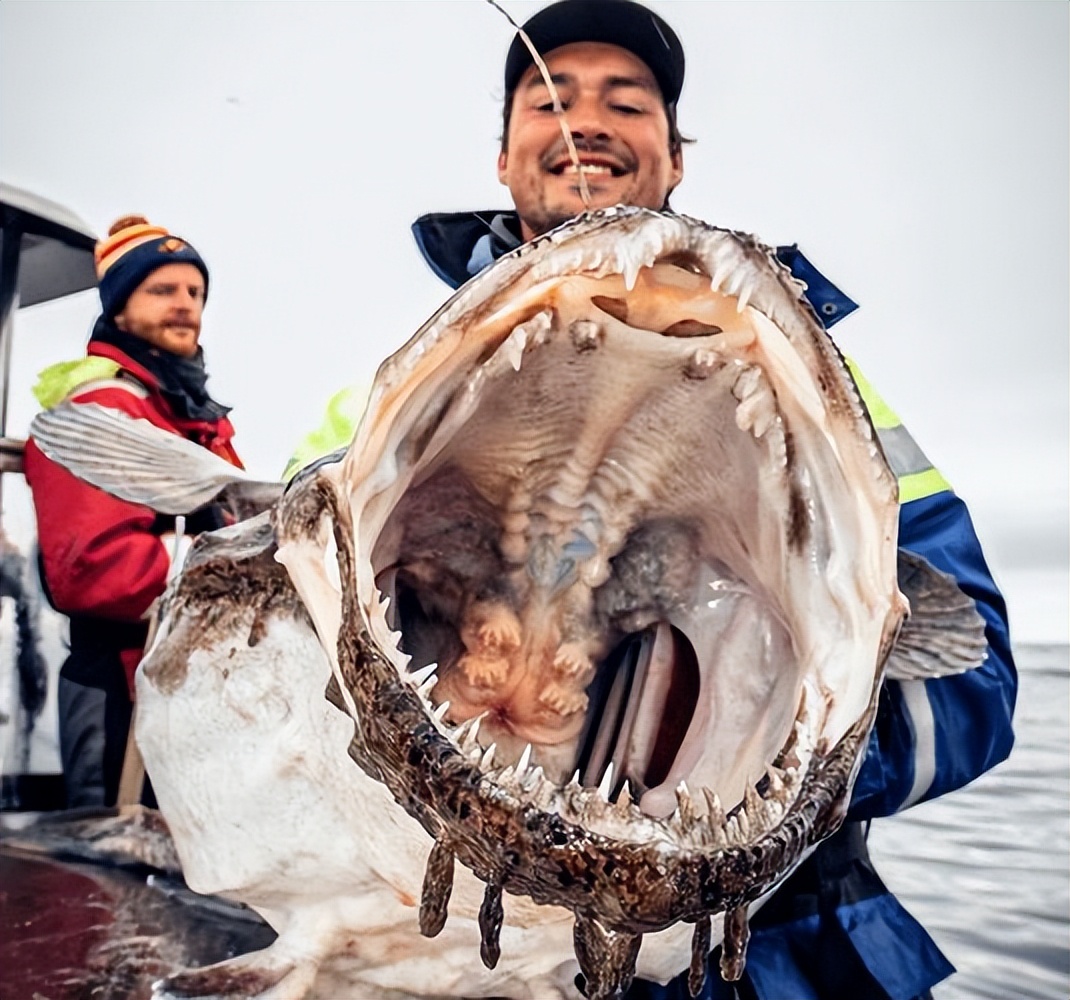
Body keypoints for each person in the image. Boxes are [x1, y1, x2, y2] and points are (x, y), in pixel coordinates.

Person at [297, 3, 1017, 997]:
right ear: (503, 157)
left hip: (773, 955)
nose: (586, 121)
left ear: (675, 157)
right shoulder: (373, 408)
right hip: (443, 947)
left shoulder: (832, 407)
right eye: (551, 99)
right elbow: (274, 639)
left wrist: (766, 757)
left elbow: (974, 684)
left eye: (627, 103)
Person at [25, 215, 242, 809]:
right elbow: (90, 569)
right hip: (123, 691)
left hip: (194, 695)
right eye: (162, 289)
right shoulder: (98, 414)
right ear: (119, 308)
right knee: (113, 859)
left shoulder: (197, 421)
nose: (185, 304)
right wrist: (227, 562)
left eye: (195, 292)